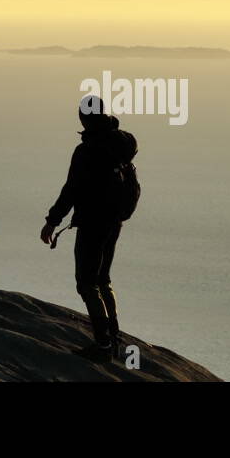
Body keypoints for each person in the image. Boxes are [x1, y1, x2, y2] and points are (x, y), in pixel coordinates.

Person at [41, 95, 138, 362]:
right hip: (115, 221)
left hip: (93, 222)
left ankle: (103, 345)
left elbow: (71, 189)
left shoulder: (87, 150)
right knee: (103, 279)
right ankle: (113, 337)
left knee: (86, 282)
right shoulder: (124, 143)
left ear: (83, 117)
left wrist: (52, 220)